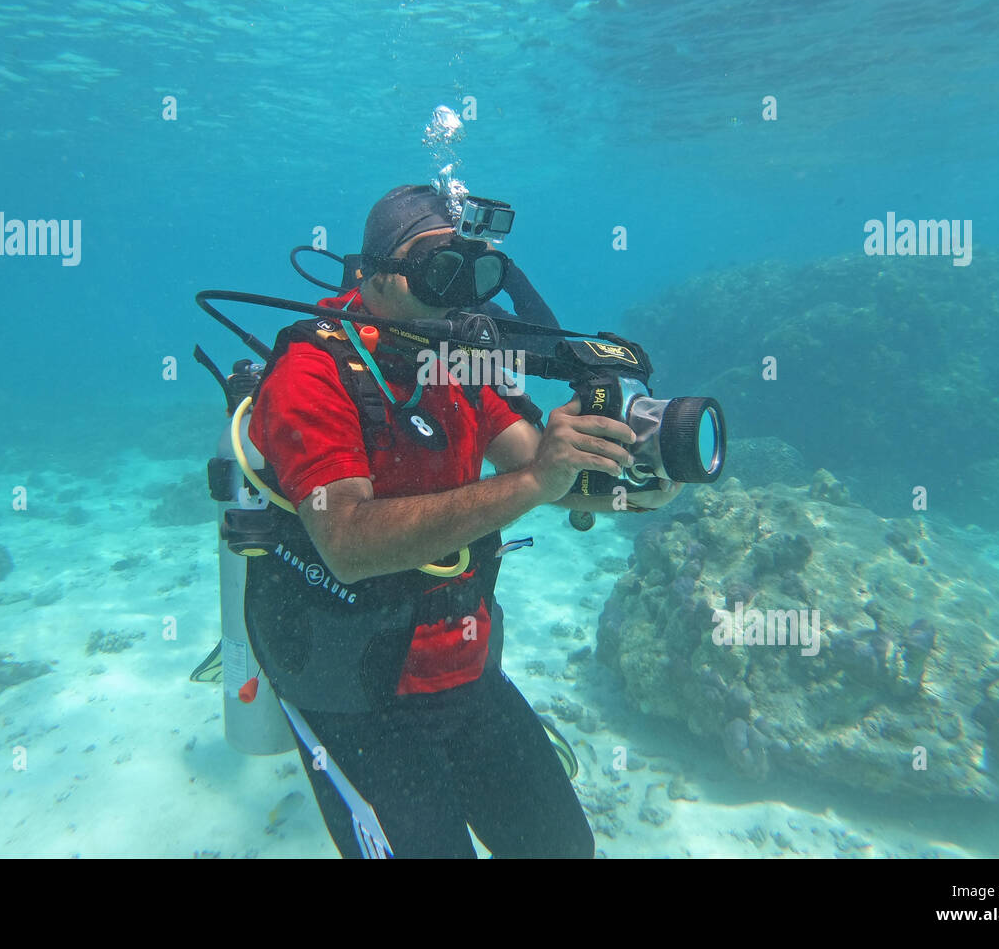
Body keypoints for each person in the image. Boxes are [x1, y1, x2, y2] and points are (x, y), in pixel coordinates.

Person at [246, 184, 682, 858]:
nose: (457, 301)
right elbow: (349, 542)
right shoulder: (312, 371)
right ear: (373, 277)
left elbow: (544, 468)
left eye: (471, 275)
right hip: (354, 687)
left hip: (461, 665)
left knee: (562, 849)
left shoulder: (457, 362)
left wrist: (632, 494)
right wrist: (536, 480)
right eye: (435, 272)